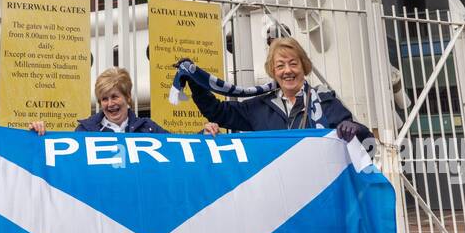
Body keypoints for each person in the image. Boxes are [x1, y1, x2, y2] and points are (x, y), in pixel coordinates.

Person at [175, 37, 373, 143]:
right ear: (273, 71)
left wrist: (356, 129)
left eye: (293, 64)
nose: (287, 71)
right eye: (280, 66)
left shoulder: (325, 101)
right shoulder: (260, 107)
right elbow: (217, 112)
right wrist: (195, 80)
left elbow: (364, 141)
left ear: (304, 67)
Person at [30, 66, 166, 135]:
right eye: (104, 99)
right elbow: (68, 166)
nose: (110, 104)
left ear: (127, 97)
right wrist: (39, 136)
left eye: (115, 97)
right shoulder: (85, 130)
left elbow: (177, 150)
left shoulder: (148, 128)